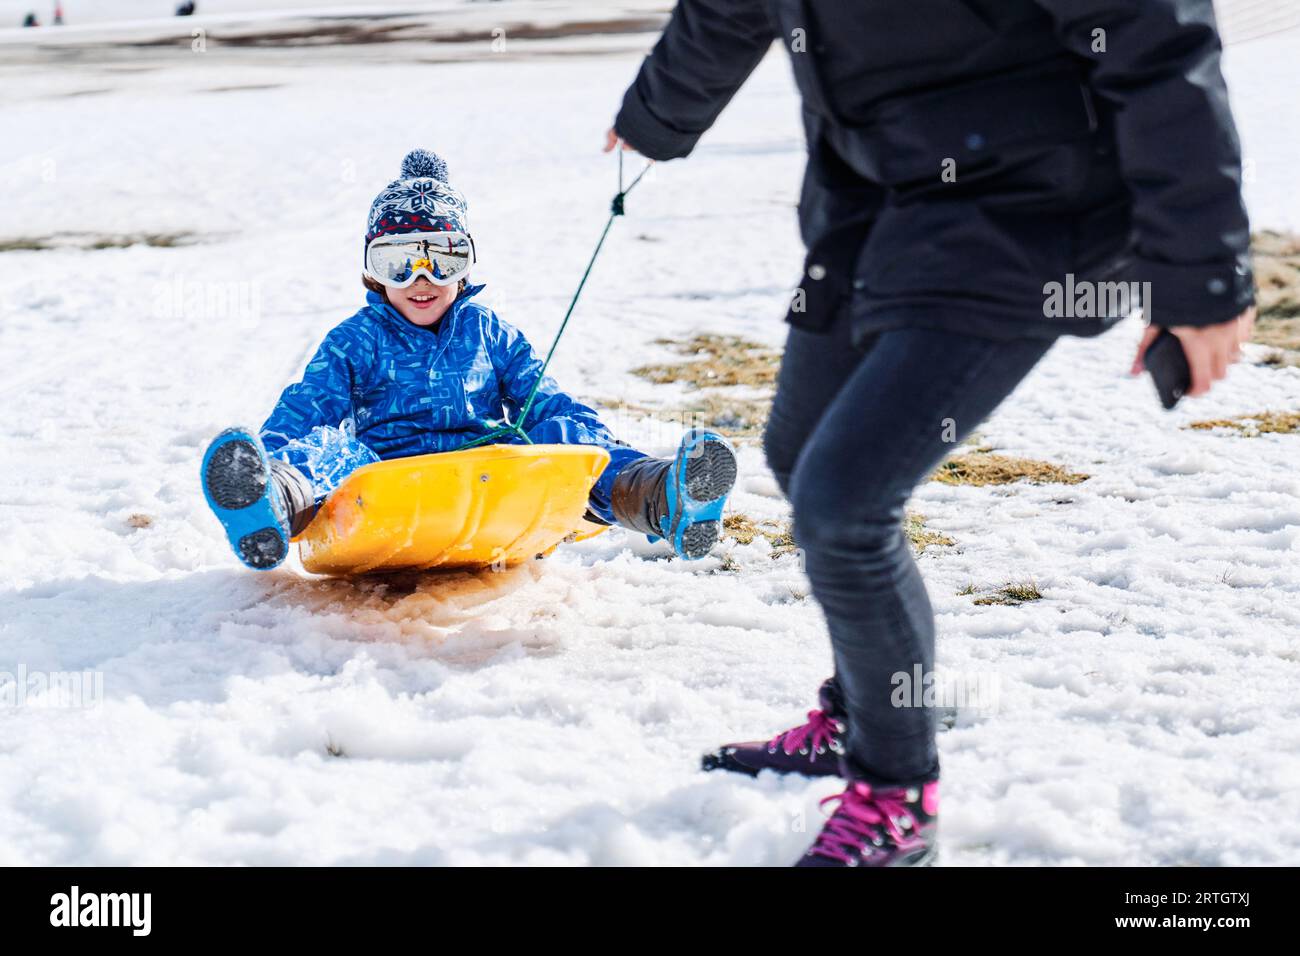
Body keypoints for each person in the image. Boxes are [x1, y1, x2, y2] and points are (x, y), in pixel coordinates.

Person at [606, 0, 1256, 866]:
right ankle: (869, 712)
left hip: (1030, 212)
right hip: (874, 203)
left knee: (845, 504)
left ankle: (896, 794)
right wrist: (657, 114)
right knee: (805, 460)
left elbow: (1154, 35)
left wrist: (1204, 276)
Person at [200, 149, 736, 571]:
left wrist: (574, 436)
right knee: (331, 450)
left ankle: (664, 498)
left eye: (442, 257)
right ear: (373, 271)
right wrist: (271, 459)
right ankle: (266, 504)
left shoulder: (489, 331)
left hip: (491, 472)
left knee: (566, 433)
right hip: (387, 477)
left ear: (465, 264)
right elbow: (303, 411)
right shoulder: (354, 340)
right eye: (398, 262)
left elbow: (543, 398)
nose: (422, 279)